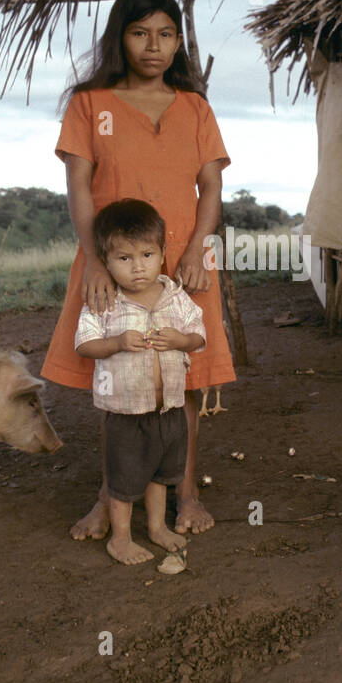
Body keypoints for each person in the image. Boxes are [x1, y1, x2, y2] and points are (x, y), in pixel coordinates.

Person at [41, 0, 235, 539]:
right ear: (119, 38)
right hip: (116, 260)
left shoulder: (196, 108)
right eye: (140, 32)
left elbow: (211, 185)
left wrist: (199, 248)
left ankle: (188, 492)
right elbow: (79, 189)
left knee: (187, 376)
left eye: (166, 34)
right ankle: (111, 496)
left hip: (186, 256)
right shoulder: (90, 105)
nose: (154, 46)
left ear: (178, 43)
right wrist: (96, 263)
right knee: (118, 371)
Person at [74, 199, 206, 565]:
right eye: (124, 258)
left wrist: (180, 341)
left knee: (160, 474)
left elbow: (198, 334)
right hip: (126, 411)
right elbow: (84, 344)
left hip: (169, 408)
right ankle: (119, 538)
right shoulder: (106, 302)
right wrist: (115, 343)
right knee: (123, 478)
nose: (138, 268)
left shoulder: (175, 298)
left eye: (147, 254)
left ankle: (156, 527)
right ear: (106, 259)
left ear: (163, 253)